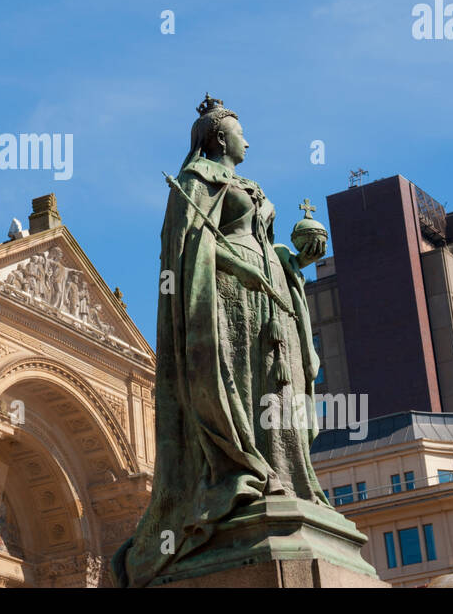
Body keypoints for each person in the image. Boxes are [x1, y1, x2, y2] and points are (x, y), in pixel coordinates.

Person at [114, 95, 329, 587]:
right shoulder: (195, 181)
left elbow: (262, 242)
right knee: (243, 385)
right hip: (228, 300)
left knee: (280, 390)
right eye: (239, 131)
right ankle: (243, 475)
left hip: (271, 298)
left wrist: (295, 259)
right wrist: (239, 266)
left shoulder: (249, 185)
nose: (246, 139)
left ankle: (287, 476)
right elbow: (191, 249)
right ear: (218, 137)